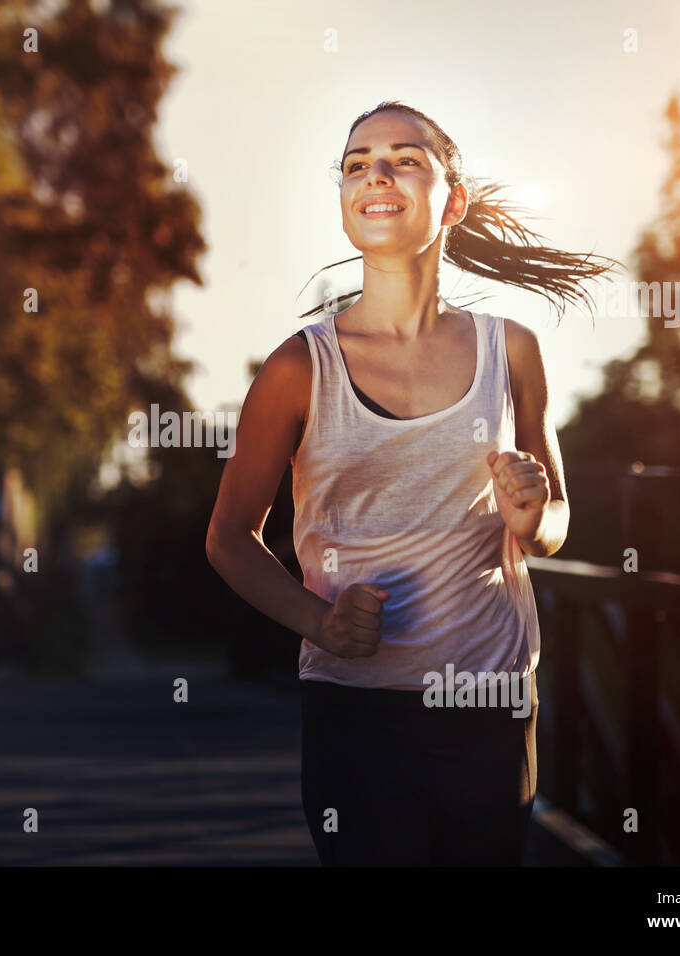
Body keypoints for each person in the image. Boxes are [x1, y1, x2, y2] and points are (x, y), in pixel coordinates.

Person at [204, 100, 621, 865]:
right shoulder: (300, 367)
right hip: (355, 709)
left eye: (404, 158)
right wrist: (318, 621)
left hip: (489, 703)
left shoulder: (514, 351)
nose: (376, 173)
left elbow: (555, 522)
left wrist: (532, 515)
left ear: (452, 199)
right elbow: (230, 537)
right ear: (345, 204)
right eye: (357, 163)